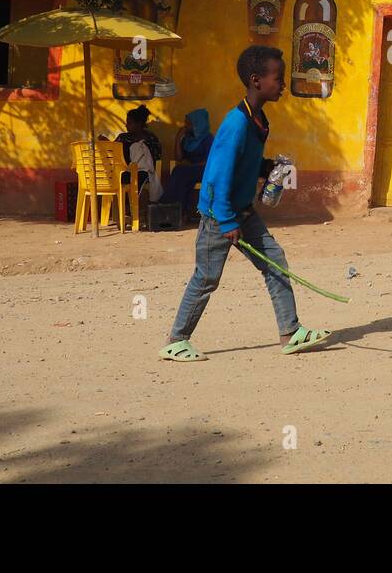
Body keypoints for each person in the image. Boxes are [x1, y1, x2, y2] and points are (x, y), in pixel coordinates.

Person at [160, 45, 332, 361]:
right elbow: (218, 174)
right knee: (207, 277)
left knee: (275, 261)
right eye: (277, 78)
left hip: (243, 210)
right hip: (219, 214)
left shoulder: (258, 119)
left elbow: (244, 163)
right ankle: (176, 339)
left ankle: (290, 332)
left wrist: (266, 168)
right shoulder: (236, 122)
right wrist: (226, 221)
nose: (282, 84)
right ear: (256, 80)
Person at [160, 108, 213, 217]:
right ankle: (176, 208)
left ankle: (170, 205)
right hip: (190, 171)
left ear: (198, 124)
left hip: (205, 170)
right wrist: (178, 139)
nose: (186, 126)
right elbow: (179, 158)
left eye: (188, 124)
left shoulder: (208, 139)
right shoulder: (188, 140)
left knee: (181, 171)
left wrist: (191, 166)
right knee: (180, 173)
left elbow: (209, 162)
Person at [112, 105, 162, 202]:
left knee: (140, 177)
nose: (126, 125)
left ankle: (134, 206)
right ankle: (127, 206)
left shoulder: (151, 139)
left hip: (144, 173)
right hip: (125, 171)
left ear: (138, 124)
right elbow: (112, 153)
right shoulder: (123, 138)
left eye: (129, 123)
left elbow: (157, 159)